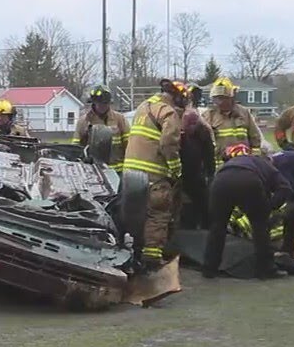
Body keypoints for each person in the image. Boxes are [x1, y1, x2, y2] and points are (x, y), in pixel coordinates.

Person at [124, 79, 190, 268]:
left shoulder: (142, 108)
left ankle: (134, 252)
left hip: (130, 175)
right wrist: (176, 168)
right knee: (158, 214)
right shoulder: (169, 112)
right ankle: (152, 259)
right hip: (154, 175)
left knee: (135, 214)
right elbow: (168, 143)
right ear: (177, 98)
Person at [201, 143, 292, 279]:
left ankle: (209, 268)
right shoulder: (261, 162)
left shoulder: (225, 166)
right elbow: (285, 188)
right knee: (260, 226)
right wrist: (269, 207)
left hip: (220, 182)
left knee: (217, 227)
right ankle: (265, 269)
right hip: (249, 181)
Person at [204, 78, 263, 168]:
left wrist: (255, 160)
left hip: (244, 165)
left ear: (231, 98)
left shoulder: (243, 113)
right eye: (217, 99)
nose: (219, 102)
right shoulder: (209, 115)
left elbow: (255, 138)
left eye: (222, 98)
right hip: (220, 167)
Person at [71, 85, 130, 170]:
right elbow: (75, 148)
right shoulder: (83, 121)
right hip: (93, 172)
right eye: (99, 103)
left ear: (109, 103)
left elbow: (128, 145)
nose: (102, 106)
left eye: (105, 103)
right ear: (93, 102)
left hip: (117, 171)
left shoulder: (120, 119)